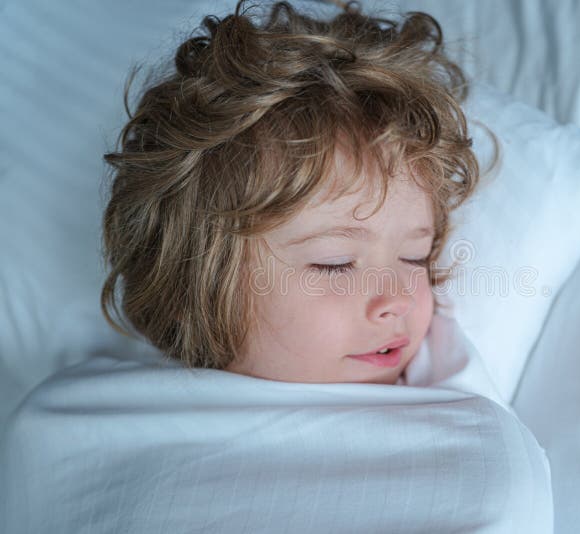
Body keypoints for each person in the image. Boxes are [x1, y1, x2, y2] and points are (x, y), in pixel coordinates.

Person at [101, 0, 504, 404]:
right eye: (336, 264)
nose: (398, 300)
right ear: (189, 290)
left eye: (415, 257)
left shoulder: (459, 411)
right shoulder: (114, 414)